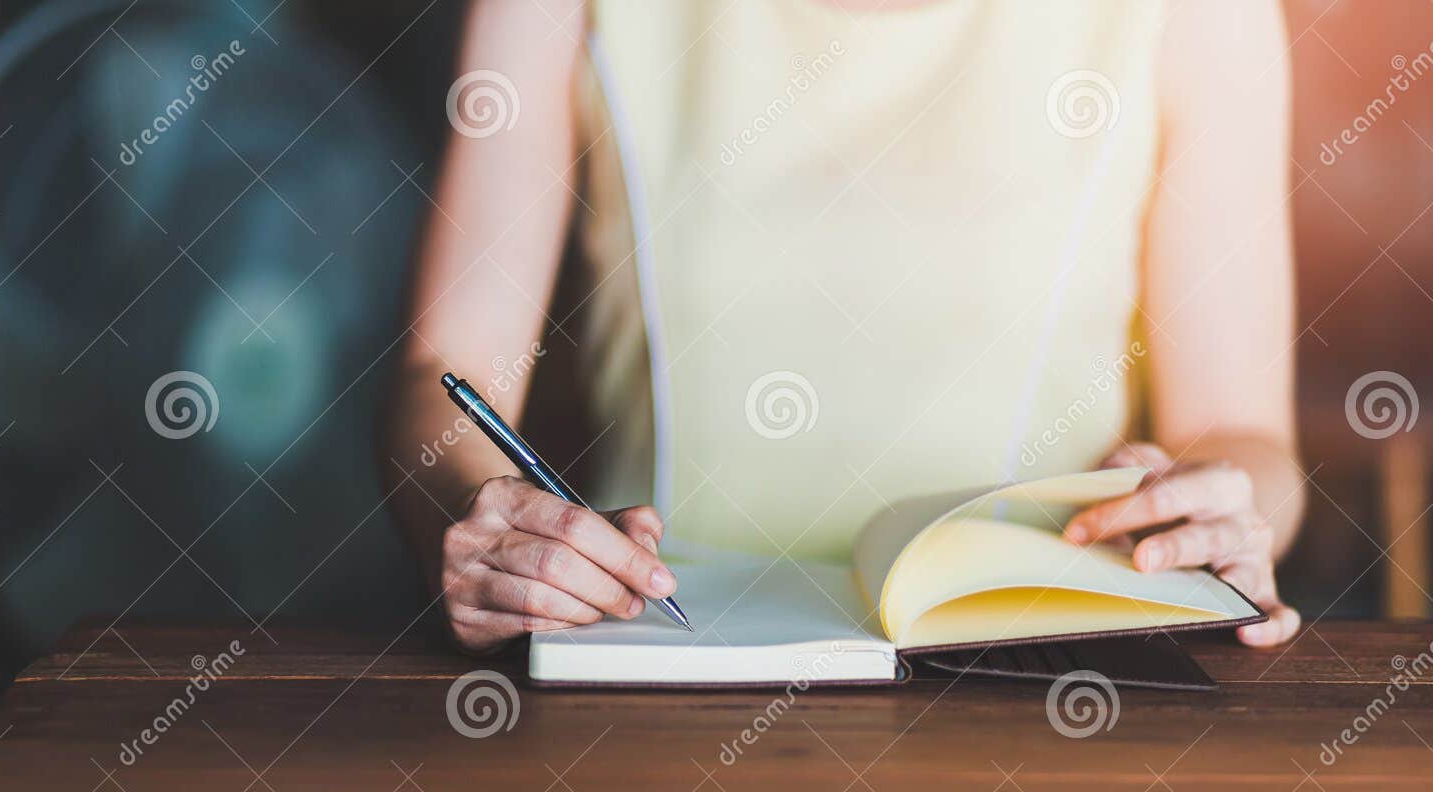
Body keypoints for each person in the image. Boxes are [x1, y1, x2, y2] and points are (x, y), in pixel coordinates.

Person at [381, 0, 1303, 653]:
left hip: (1048, 658)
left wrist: (1225, 517)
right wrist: (467, 520)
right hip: (652, 655)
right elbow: (446, 373)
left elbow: (1244, 439)